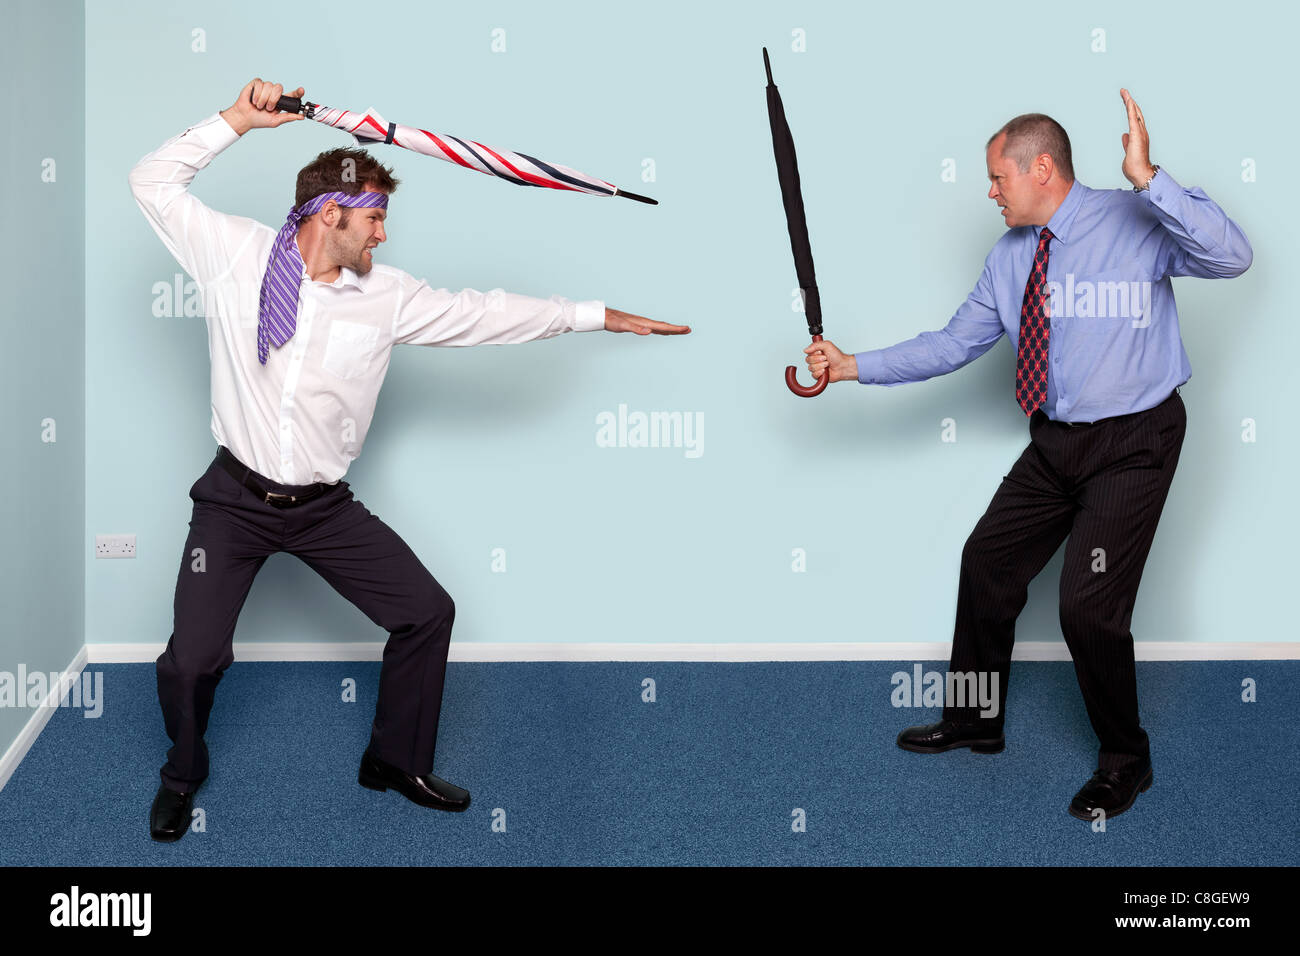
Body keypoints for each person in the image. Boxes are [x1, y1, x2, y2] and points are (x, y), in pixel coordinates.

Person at [130, 78, 690, 843]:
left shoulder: (386, 296)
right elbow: (152, 181)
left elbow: (485, 314)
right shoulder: (233, 256)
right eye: (375, 219)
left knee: (427, 613)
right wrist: (236, 121)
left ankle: (394, 761)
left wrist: (595, 316)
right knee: (191, 661)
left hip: (324, 508)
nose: (384, 237)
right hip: (232, 501)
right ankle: (180, 774)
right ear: (330, 213)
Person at [804, 90, 1251, 821]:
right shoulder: (1012, 257)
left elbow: (1232, 257)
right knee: (987, 563)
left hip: (1134, 443)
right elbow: (953, 344)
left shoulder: (1134, 218)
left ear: (1041, 168)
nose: (988, 192)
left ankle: (1124, 762)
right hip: (1056, 443)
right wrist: (851, 365)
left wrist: (1150, 177)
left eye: (996, 178)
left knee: (1086, 606)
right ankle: (975, 720)